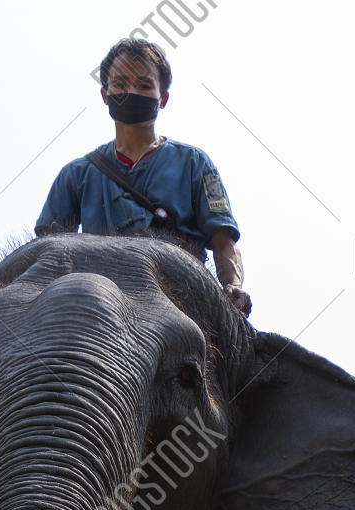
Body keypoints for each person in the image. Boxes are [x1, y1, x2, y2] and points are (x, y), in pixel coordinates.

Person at [36, 38, 251, 316]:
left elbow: (223, 240)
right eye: (121, 84)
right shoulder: (76, 175)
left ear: (163, 99)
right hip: (99, 305)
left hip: (181, 302)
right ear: (105, 94)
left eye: (144, 85)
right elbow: (46, 250)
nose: (131, 91)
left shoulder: (195, 163)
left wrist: (233, 287)